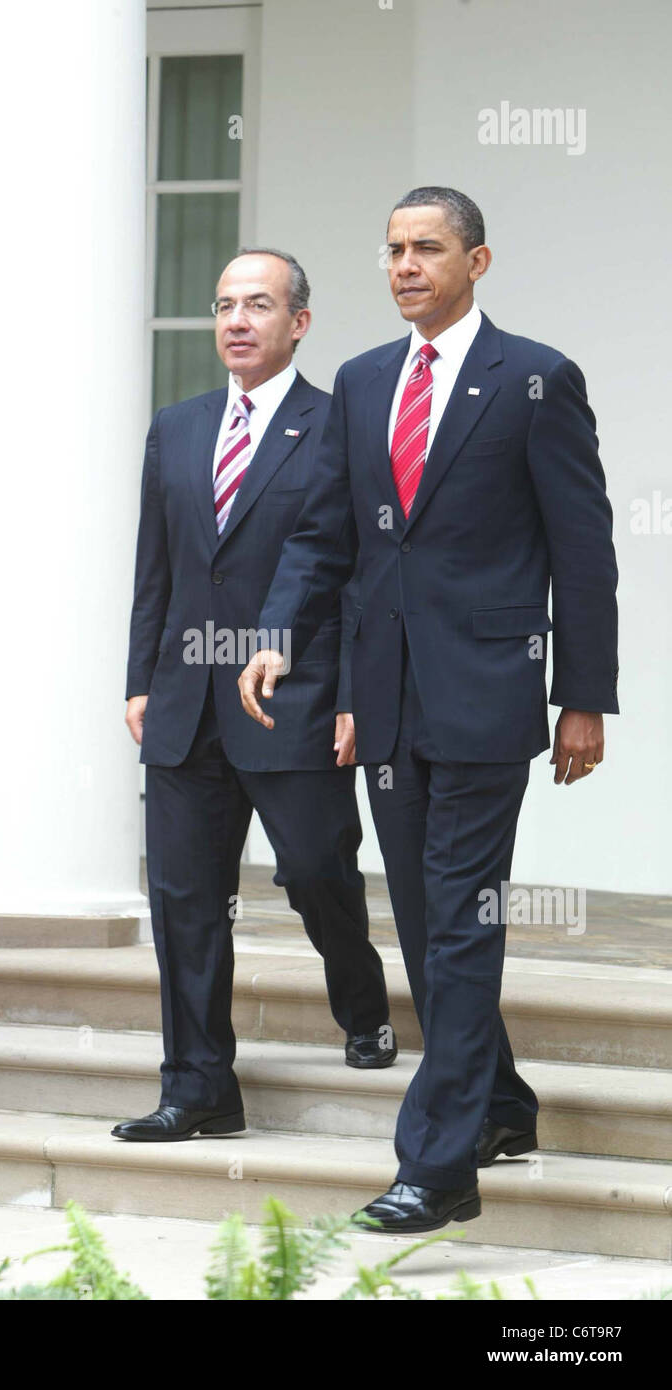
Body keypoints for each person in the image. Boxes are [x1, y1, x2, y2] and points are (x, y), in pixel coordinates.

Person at [238, 190, 618, 1231]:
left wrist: (580, 694)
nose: (404, 265)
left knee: (456, 920)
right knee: (422, 920)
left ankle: (438, 1163)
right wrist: (277, 634)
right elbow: (327, 536)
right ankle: (498, 1102)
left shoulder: (534, 378)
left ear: (476, 260)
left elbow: (581, 551)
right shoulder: (361, 383)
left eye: (426, 248)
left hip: (490, 695)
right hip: (388, 703)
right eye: (393, 249)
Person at [114, 249, 396, 1144]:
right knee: (185, 900)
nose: (237, 320)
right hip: (185, 698)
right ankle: (198, 1087)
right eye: (225, 304)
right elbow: (155, 566)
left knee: (317, 870)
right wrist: (139, 680)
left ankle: (361, 1002)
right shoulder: (179, 425)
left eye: (259, 305)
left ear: (298, 323)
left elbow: (355, 576)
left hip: (297, 699)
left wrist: (354, 693)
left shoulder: (338, 423)